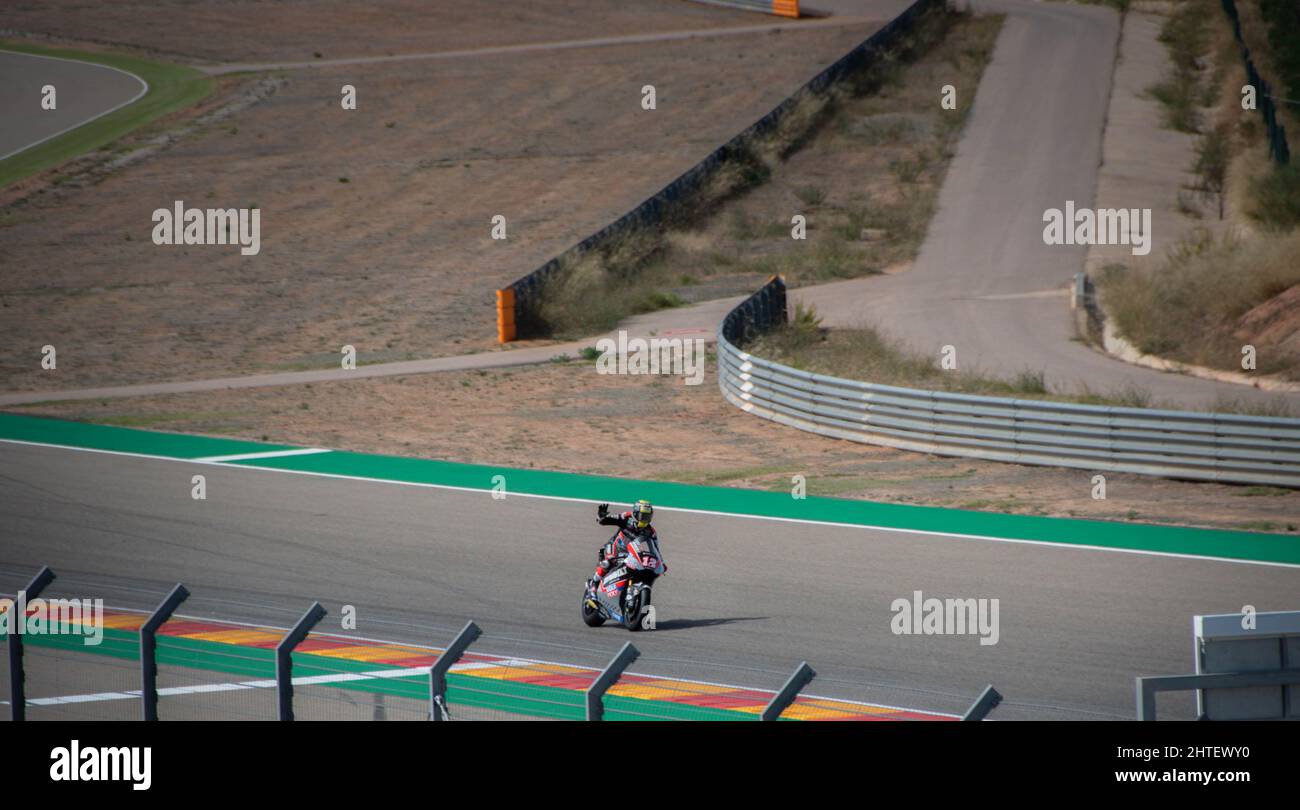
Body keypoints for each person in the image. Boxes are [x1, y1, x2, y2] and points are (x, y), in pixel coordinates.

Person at [589, 500, 657, 588]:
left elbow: (655, 548)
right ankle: (593, 584)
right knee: (609, 561)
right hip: (615, 547)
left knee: (641, 569)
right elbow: (605, 521)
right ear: (635, 514)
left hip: (631, 553)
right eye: (643, 516)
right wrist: (601, 516)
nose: (645, 519)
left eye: (647, 517)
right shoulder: (626, 517)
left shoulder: (650, 531)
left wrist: (660, 562)